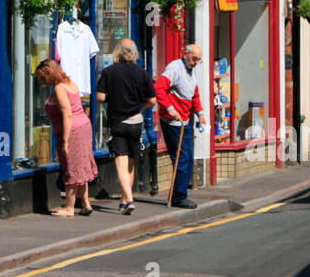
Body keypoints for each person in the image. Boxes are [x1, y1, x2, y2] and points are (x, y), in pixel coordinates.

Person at [95, 38, 156, 214]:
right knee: (130, 163)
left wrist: (114, 99)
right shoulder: (142, 72)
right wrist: (139, 106)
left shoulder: (109, 72)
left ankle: (129, 199)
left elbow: (100, 97)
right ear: (134, 52)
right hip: (136, 122)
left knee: (120, 163)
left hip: (118, 122)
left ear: (118, 52)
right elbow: (152, 100)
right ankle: (123, 200)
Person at [35, 59, 98, 216]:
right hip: (83, 126)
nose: (42, 82)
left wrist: (64, 141)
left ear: (49, 74)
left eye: (42, 78)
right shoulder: (70, 83)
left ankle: (69, 208)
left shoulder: (59, 89)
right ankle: (86, 204)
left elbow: (67, 114)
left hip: (73, 131)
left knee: (71, 168)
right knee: (80, 166)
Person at [154, 43, 205, 209]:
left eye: (198, 60)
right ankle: (179, 198)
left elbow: (194, 94)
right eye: (194, 58)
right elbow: (158, 88)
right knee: (181, 158)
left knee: (188, 157)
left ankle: (180, 193)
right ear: (185, 54)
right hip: (173, 121)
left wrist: (200, 113)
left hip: (184, 119)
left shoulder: (191, 70)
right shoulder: (174, 68)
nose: (196, 62)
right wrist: (170, 109)